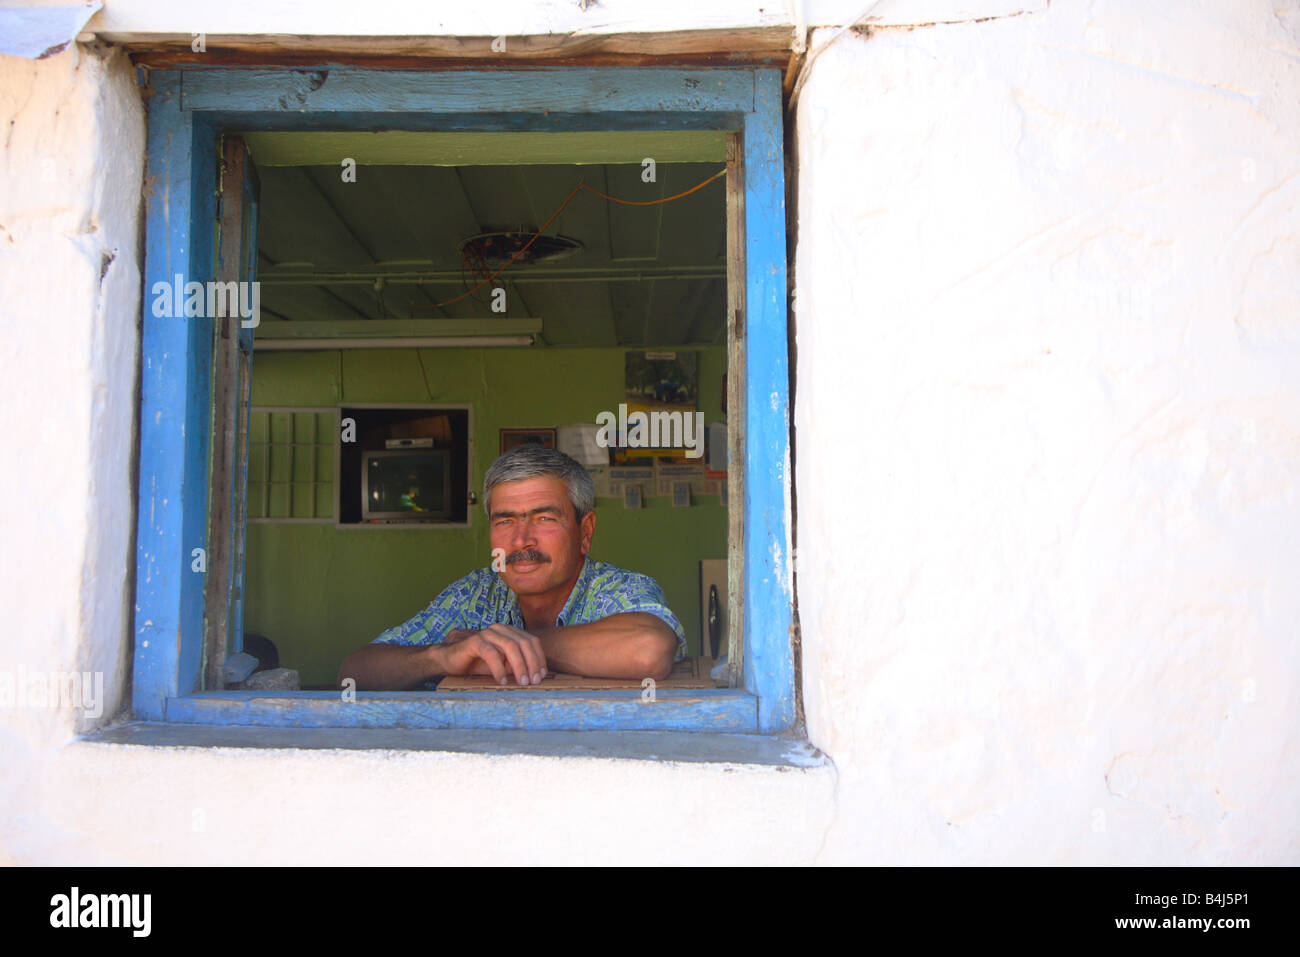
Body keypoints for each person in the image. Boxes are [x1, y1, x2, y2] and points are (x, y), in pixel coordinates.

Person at [337, 444, 685, 690]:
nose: (521, 541)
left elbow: (647, 650)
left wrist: (498, 647)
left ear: (585, 531)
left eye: (544, 518)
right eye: (505, 521)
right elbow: (354, 673)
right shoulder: (475, 592)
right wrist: (443, 657)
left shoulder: (616, 588)